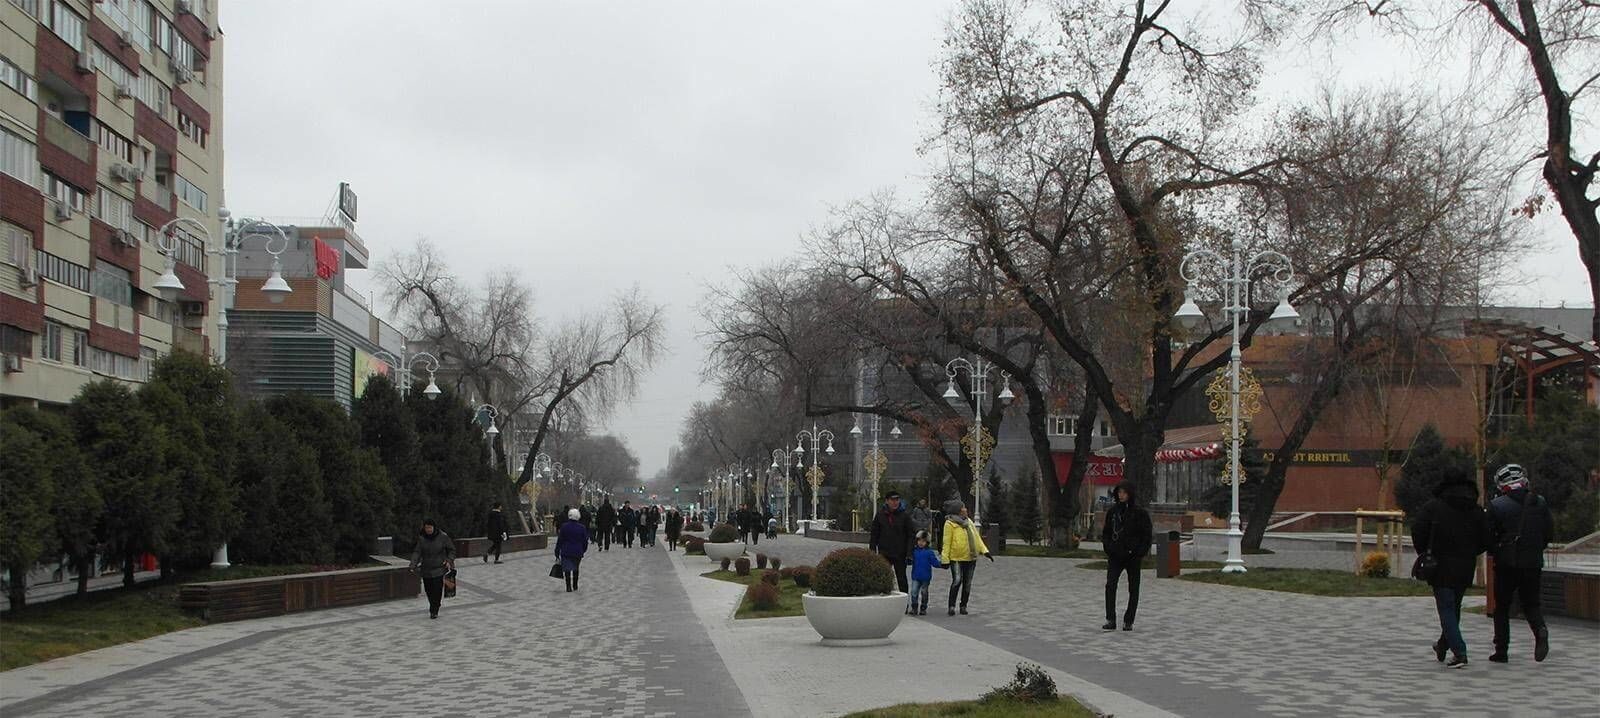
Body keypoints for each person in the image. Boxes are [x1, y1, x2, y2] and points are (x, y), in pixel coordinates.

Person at [1412, 468, 1488, 669]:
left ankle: (1460, 652)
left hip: (1440, 564)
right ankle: (1443, 644)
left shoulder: (1433, 507)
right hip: (1466, 565)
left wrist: (1425, 551)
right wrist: (1471, 551)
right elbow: (1486, 538)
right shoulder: (1476, 510)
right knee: (1453, 608)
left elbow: (1418, 530)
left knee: (1446, 608)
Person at [1486, 463, 1554, 663]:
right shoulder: (1539, 502)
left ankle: (1501, 650)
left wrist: (1497, 551)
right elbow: (1548, 532)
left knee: (1502, 607)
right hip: (1533, 563)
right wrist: (1535, 549)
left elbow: (1488, 537)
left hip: (1507, 564)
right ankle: (1540, 630)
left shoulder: (1497, 505)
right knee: (1532, 603)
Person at [1101, 481, 1152, 632]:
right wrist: (1109, 548)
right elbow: (1106, 534)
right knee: (1110, 585)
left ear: (1130, 493)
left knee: (1133, 588)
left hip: (1133, 557)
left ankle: (1128, 620)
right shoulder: (1113, 512)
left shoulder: (1140, 513)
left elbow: (1147, 536)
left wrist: (1139, 552)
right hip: (1115, 556)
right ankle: (1110, 618)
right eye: (1119, 492)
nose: (1121, 495)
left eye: (1124, 492)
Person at [940, 499, 992, 616]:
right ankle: (951, 606)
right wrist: (945, 560)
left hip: (970, 558)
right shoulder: (949, 524)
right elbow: (946, 542)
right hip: (956, 558)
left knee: (967, 583)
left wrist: (985, 551)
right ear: (958, 511)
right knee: (957, 581)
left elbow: (976, 539)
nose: (965, 510)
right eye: (963, 508)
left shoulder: (969, 522)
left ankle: (963, 605)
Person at [408, 518, 455, 619]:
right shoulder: (422, 538)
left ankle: (434, 610)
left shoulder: (443, 537)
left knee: (437, 590)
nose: (428, 530)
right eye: (426, 528)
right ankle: (433, 605)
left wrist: (448, 560)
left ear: (434, 527)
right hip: (426, 568)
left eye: (430, 527)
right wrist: (413, 564)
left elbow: (451, 550)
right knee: (429, 590)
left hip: (439, 567)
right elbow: (417, 552)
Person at [869, 491, 914, 594]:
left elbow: (911, 535)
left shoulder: (905, 516)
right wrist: (872, 552)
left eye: (897, 500)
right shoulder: (880, 515)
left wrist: (909, 553)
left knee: (901, 579)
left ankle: (904, 603)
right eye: (892, 500)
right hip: (884, 553)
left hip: (900, 553)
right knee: (884, 578)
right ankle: (884, 600)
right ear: (887, 501)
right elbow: (874, 535)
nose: (895, 502)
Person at [907, 530, 943, 616]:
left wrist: (942, 565)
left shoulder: (929, 552)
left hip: (926, 577)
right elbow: (910, 561)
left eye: (923, 541)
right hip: (916, 576)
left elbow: (934, 563)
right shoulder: (914, 551)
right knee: (914, 592)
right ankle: (914, 607)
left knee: (924, 593)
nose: (920, 543)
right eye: (919, 540)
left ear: (927, 542)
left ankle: (923, 607)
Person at [555, 508, 589, 592]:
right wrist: (583, 549)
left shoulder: (564, 526)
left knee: (567, 568)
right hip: (577, 551)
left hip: (566, 550)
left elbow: (560, 540)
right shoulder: (582, 528)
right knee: (576, 568)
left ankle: (568, 586)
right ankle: (575, 585)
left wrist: (557, 551)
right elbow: (585, 540)